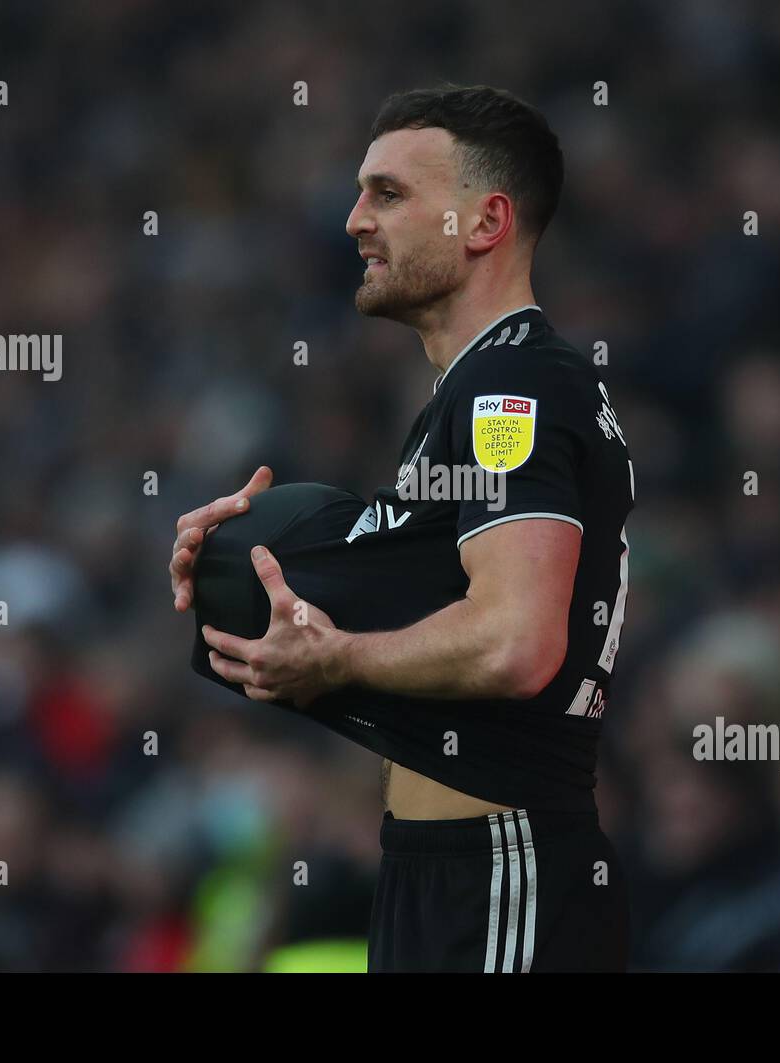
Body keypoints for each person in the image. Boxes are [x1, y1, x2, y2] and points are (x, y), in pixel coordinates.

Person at [169, 85, 634, 972]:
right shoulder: (471, 396)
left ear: (485, 221)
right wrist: (254, 562)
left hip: (503, 871)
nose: (354, 221)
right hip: (440, 870)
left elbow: (515, 644)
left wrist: (334, 658)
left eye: (388, 193)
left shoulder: (513, 391)